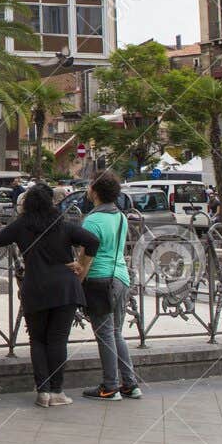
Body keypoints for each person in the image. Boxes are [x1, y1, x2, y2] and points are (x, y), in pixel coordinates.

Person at [0, 182, 100, 407]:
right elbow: (93, 241)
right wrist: (82, 265)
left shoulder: (21, 225)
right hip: (64, 289)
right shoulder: (62, 225)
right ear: (51, 203)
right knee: (57, 340)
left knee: (37, 339)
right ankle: (57, 392)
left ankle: (43, 392)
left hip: (35, 287)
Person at [81, 171, 142, 400]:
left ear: (95, 192)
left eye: (89, 186)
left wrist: (78, 279)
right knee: (116, 333)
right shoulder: (121, 217)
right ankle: (130, 384)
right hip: (121, 278)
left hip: (100, 280)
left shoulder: (93, 220)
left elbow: (87, 257)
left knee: (105, 334)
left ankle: (110, 386)